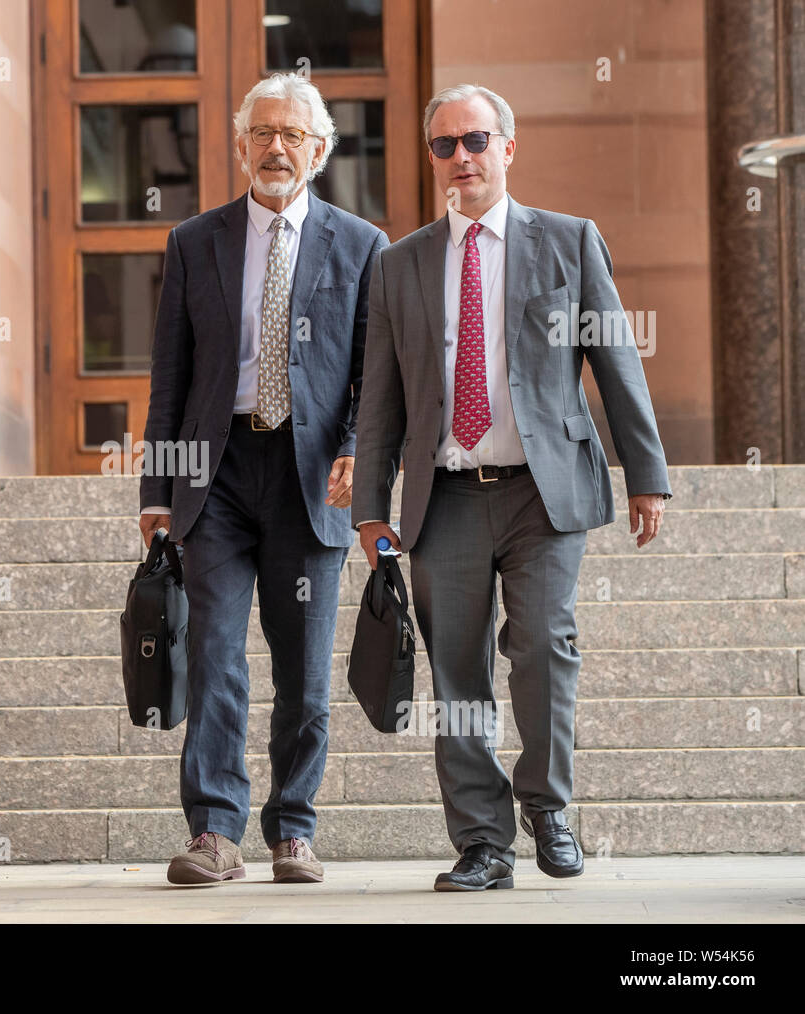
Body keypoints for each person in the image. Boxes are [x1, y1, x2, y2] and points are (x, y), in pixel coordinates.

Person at [352, 84, 671, 891]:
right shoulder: (399, 265)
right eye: (445, 145)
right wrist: (369, 509)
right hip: (446, 497)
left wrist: (647, 474)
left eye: (477, 141)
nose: (462, 157)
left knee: (543, 649)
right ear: (433, 159)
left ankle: (548, 808)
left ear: (508, 148)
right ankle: (483, 844)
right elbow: (381, 396)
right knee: (456, 670)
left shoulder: (569, 240)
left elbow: (614, 359)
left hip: (544, 491)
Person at [140, 72, 388, 885]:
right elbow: (170, 377)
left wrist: (359, 449)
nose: (275, 147)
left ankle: (293, 828)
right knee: (213, 653)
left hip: (312, 475)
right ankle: (214, 832)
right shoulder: (194, 240)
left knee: (305, 666)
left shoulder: (361, 245)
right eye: (262, 133)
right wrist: (155, 492)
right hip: (216, 476)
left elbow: (371, 373)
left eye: (293, 135)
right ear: (239, 144)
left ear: (318, 150)